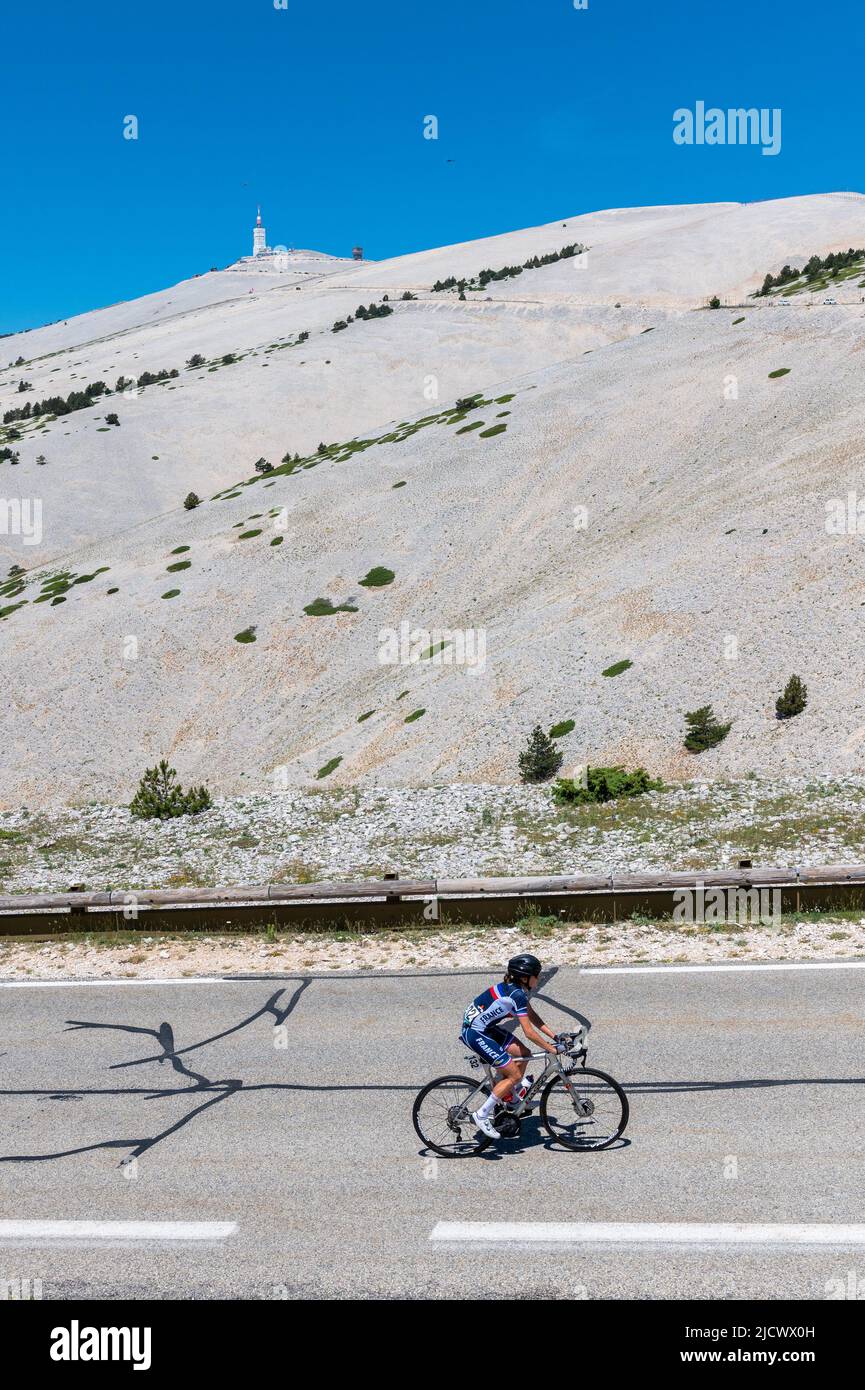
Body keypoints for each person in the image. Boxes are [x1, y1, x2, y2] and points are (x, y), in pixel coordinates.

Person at [460, 953, 563, 1138]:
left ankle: (510, 1098)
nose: (538, 979)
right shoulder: (517, 995)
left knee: (523, 1053)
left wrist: (555, 1036)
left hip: (486, 1028)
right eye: (536, 975)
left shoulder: (516, 991)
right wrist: (552, 1049)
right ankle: (481, 1114)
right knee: (514, 1075)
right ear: (525, 977)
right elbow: (529, 1032)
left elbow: (532, 1017)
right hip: (475, 1033)